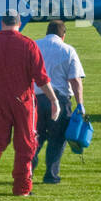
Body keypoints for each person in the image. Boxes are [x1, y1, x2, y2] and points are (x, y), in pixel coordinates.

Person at [0, 13, 59, 198]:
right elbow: (41, 78)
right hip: (22, 101)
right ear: (19, 23)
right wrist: (53, 99)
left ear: (2, 23)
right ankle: (22, 188)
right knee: (26, 146)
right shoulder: (28, 44)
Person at [31, 20, 86, 184]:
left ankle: (27, 172)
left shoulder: (34, 46)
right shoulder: (68, 50)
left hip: (36, 99)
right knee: (57, 138)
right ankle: (51, 174)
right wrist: (80, 104)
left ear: (47, 31)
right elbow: (75, 80)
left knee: (35, 138)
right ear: (63, 35)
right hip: (60, 99)